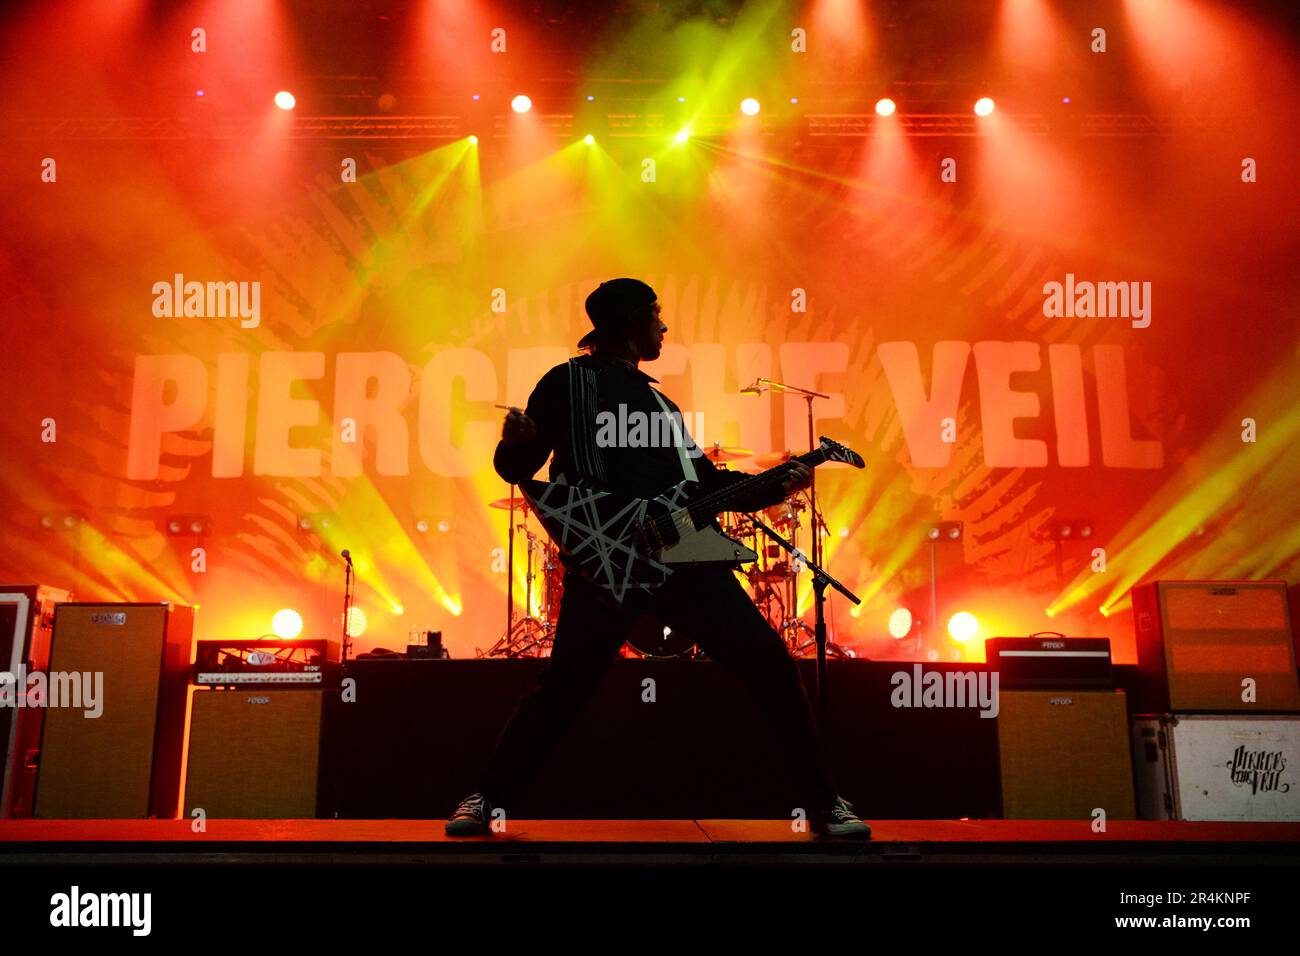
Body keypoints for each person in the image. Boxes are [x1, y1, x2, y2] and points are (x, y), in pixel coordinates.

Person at [446, 278, 869, 839]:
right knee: (565, 686)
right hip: (610, 561)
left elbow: (703, 485)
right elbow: (518, 469)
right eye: (654, 316)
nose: (663, 327)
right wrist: (516, 444)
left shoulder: (661, 404)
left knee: (768, 664)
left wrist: (776, 485)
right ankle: (486, 799)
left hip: (683, 562)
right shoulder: (565, 384)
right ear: (627, 323)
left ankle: (824, 803)